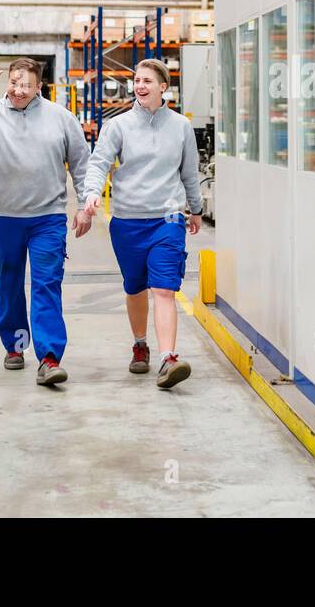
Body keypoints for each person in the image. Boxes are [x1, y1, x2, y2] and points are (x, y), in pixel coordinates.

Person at [0, 53, 92, 385]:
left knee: (47, 284)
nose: (19, 91)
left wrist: (84, 204)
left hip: (47, 218)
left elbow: (81, 164)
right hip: (3, 217)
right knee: (9, 285)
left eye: (27, 85)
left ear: (40, 86)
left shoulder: (61, 118)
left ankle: (49, 358)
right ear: (7, 81)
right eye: (14, 83)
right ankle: (16, 347)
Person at [76, 58, 202, 389]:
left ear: (164, 87)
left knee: (163, 288)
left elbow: (189, 171)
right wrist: (90, 194)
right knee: (135, 287)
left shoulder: (180, 126)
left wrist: (197, 208)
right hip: (128, 220)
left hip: (168, 218)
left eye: (147, 80)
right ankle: (140, 344)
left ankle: (168, 357)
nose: (140, 86)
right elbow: (99, 162)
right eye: (137, 80)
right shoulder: (117, 126)